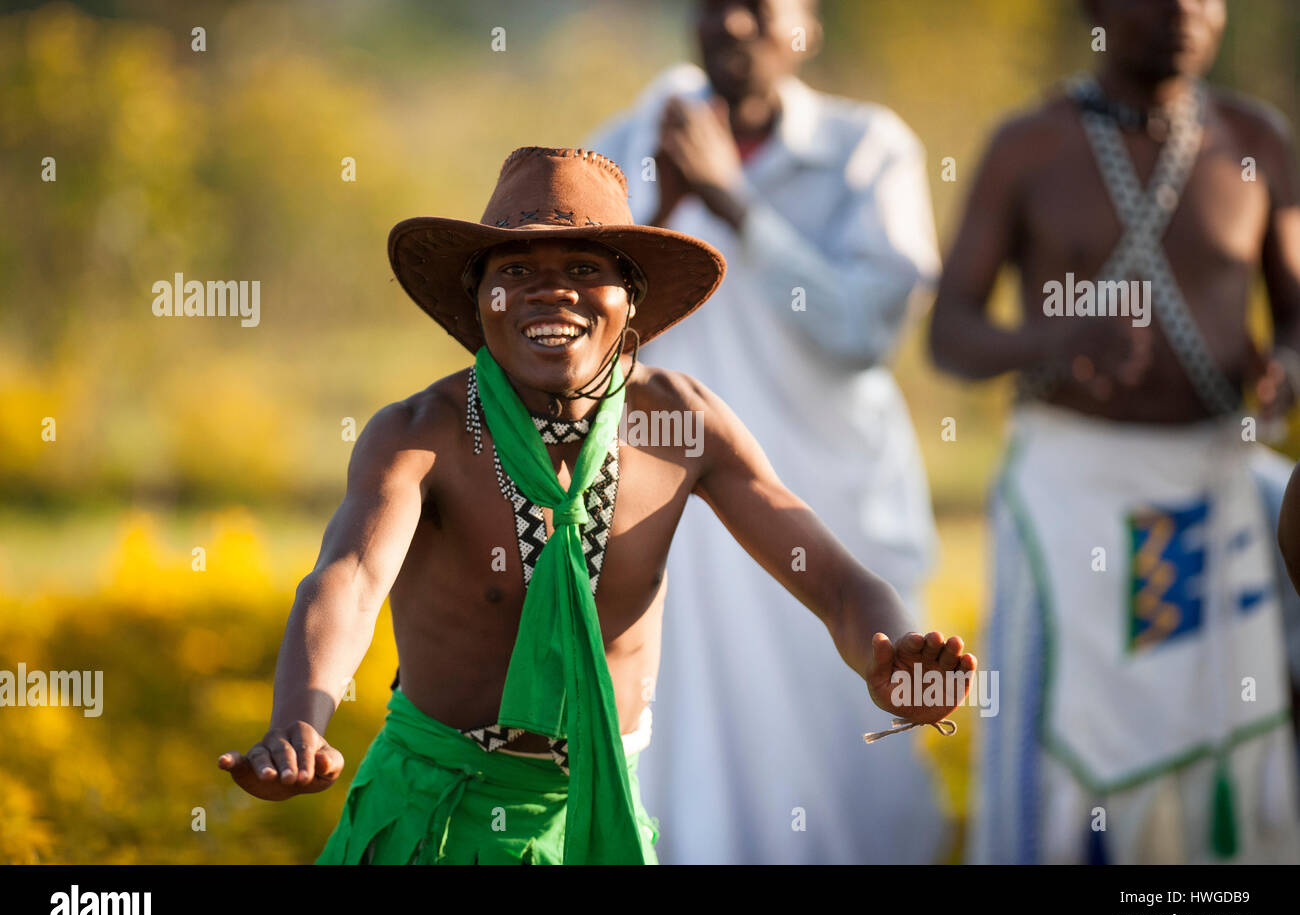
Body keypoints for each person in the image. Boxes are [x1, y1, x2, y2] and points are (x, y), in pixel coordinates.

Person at [215, 145, 974, 865]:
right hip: (433, 815)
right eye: (517, 270)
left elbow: (837, 582)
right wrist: (298, 721)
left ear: (630, 301)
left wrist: (894, 654)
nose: (553, 290)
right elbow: (346, 582)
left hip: (599, 814)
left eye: (585, 267)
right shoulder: (422, 433)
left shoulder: (683, 425)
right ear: (481, 300)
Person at [931, 0, 1300, 863]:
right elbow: (949, 333)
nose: (1183, 12)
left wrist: (1285, 365)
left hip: (1213, 485)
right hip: (1071, 490)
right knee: (1067, 741)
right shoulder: (1031, 144)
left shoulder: (1255, 139)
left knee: (1221, 736)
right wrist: (1056, 337)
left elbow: (1295, 315)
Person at [585, 0, 947, 864]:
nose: (735, 24)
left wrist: (735, 201)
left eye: (761, 6)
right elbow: (584, 337)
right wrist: (663, 214)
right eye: (716, 5)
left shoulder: (866, 149)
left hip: (827, 497)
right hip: (676, 505)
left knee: (835, 724)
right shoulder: (628, 137)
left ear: (807, 27)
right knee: (682, 733)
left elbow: (865, 330)